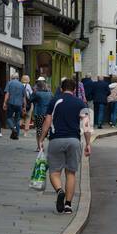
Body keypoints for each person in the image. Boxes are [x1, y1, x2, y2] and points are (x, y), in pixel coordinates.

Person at [38, 77, 92, 214]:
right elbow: (86, 126)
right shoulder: (80, 103)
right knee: (71, 173)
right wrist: (88, 144)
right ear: (74, 90)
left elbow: (47, 121)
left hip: (56, 139)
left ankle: (59, 190)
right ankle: (68, 205)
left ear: (61, 89)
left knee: (55, 172)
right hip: (74, 140)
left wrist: (41, 139)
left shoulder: (54, 101)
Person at [30, 77, 55, 148]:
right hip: (48, 114)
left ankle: (39, 146)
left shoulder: (37, 93)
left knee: (39, 129)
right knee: (48, 129)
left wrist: (34, 91)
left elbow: (30, 99)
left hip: (39, 113)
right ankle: (49, 145)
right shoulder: (50, 93)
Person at [4, 71, 27, 140]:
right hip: (19, 104)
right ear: (18, 78)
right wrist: (24, 107)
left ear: (12, 77)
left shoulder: (9, 83)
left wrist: (4, 102)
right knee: (17, 119)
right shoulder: (21, 85)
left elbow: (7, 94)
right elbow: (24, 97)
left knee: (8, 117)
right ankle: (16, 135)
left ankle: (13, 129)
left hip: (11, 103)